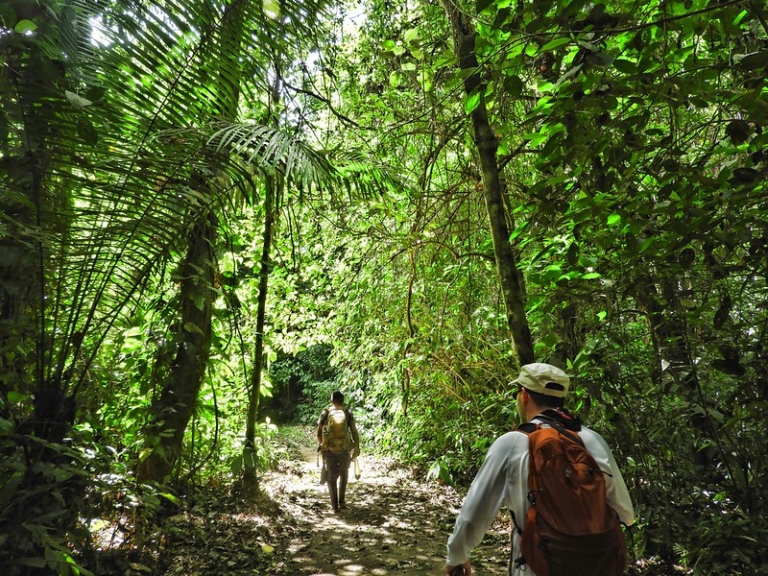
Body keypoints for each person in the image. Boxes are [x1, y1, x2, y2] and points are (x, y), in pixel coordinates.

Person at [444, 363, 634, 576]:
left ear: (524, 395)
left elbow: (474, 515)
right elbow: (625, 513)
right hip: (597, 564)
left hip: (536, 565)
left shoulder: (512, 443)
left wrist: (456, 557)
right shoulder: (592, 440)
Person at [317, 390, 360, 513]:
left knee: (331, 476)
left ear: (331, 400)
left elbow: (319, 431)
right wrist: (356, 446)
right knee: (344, 473)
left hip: (329, 449)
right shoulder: (347, 412)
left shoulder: (326, 412)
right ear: (343, 401)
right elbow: (354, 430)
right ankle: (342, 501)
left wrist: (322, 445)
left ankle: (335, 506)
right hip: (344, 448)